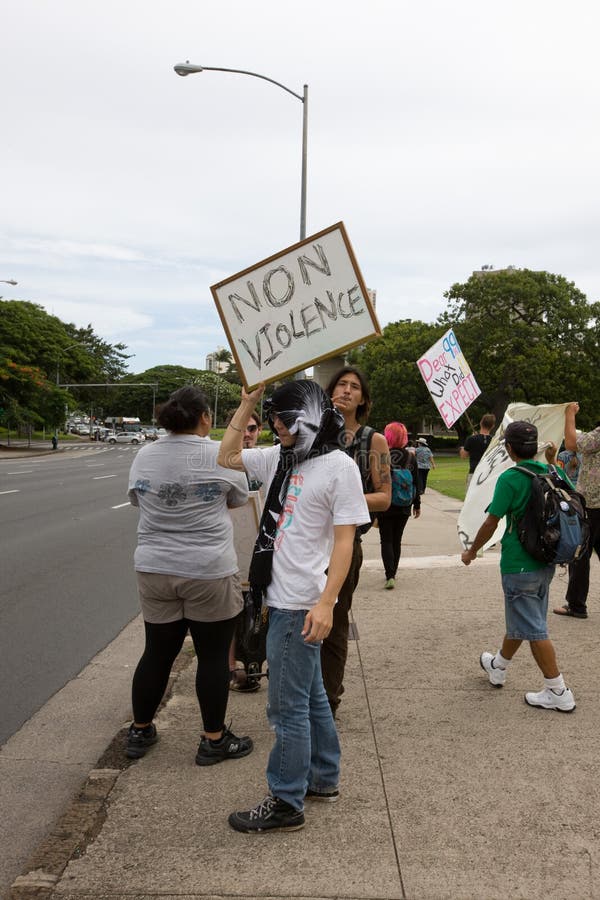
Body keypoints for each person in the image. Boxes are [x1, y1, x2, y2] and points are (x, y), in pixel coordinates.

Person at [217, 380, 370, 833]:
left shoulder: (339, 467)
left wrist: (327, 603)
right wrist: (246, 403)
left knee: (286, 709)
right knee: (312, 697)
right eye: (274, 420)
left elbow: (346, 541)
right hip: (280, 596)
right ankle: (323, 778)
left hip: (300, 602)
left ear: (308, 419)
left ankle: (286, 799)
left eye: (284, 420)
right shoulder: (279, 457)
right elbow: (226, 457)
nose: (276, 428)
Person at [125, 386, 254, 765]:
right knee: (213, 657)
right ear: (204, 418)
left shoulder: (144, 454)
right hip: (208, 569)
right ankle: (213, 740)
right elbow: (237, 499)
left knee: (156, 652)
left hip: (154, 567)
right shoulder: (219, 454)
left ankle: (140, 730)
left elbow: (137, 498)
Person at [461, 420, 576, 713]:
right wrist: (552, 461)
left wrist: (472, 551)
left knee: (535, 628)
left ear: (510, 449)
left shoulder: (511, 478)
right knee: (524, 617)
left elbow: (492, 520)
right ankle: (498, 665)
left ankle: (558, 690)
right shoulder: (552, 471)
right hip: (546, 560)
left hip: (518, 563)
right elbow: (573, 497)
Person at [322, 366, 391, 716]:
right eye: (341, 384)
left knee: (334, 623)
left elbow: (384, 497)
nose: (347, 391)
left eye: (354, 387)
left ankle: (329, 699)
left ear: (363, 399)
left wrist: (342, 498)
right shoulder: (309, 433)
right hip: (303, 544)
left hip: (345, 545)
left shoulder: (372, 441)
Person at [226, 409, 264, 692]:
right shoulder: (222, 463)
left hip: (261, 552)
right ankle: (230, 669)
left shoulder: (266, 461)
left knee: (260, 612)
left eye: (252, 429)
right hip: (228, 554)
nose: (247, 434)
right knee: (229, 616)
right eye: (242, 429)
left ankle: (255, 665)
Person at [553, 402, 600, 620]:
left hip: (592, 504)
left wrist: (569, 414)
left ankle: (576, 605)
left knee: (580, 554)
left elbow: (571, 443)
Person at [377, 422, 421, 590]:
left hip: (385, 503)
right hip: (404, 504)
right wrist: (417, 504)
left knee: (386, 540)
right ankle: (393, 572)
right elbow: (417, 483)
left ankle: (390, 575)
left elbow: (376, 481)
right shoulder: (411, 457)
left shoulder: (383, 456)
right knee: (397, 540)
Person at [460, 414, 496, 486]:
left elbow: (463, 456)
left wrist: (462, 448)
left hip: (474, 472)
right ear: (492, 426)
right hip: (489, 474)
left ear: (481, 423)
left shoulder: (471, 439)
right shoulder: (494, 441)